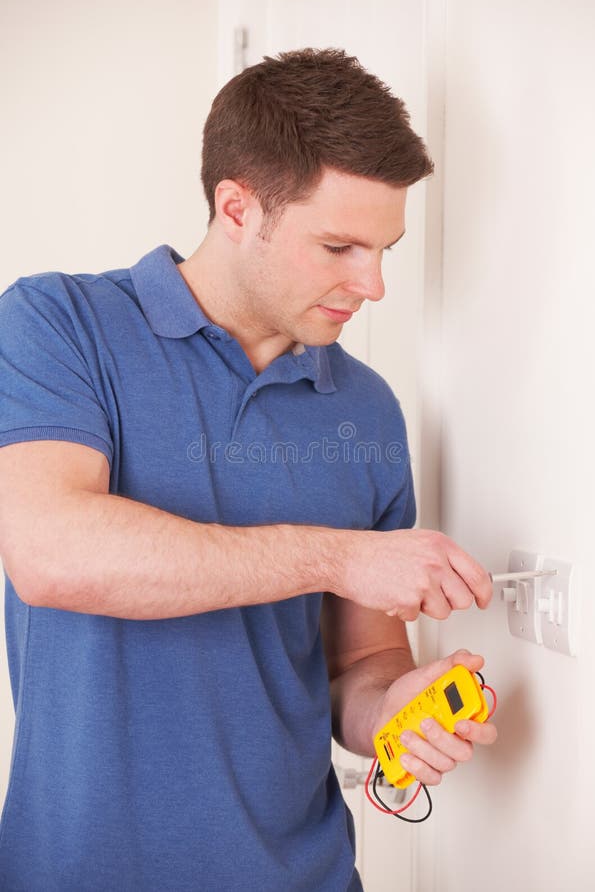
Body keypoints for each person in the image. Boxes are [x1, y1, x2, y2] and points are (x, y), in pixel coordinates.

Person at [0, 48, 497, 891]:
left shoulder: (366, 409)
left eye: (384, 249)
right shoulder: (58, 324)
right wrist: (338, 555)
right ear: (237, 208)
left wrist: (396, 712)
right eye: (339, 246)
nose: (373, 284)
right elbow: (51, 554)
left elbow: (358, 667)